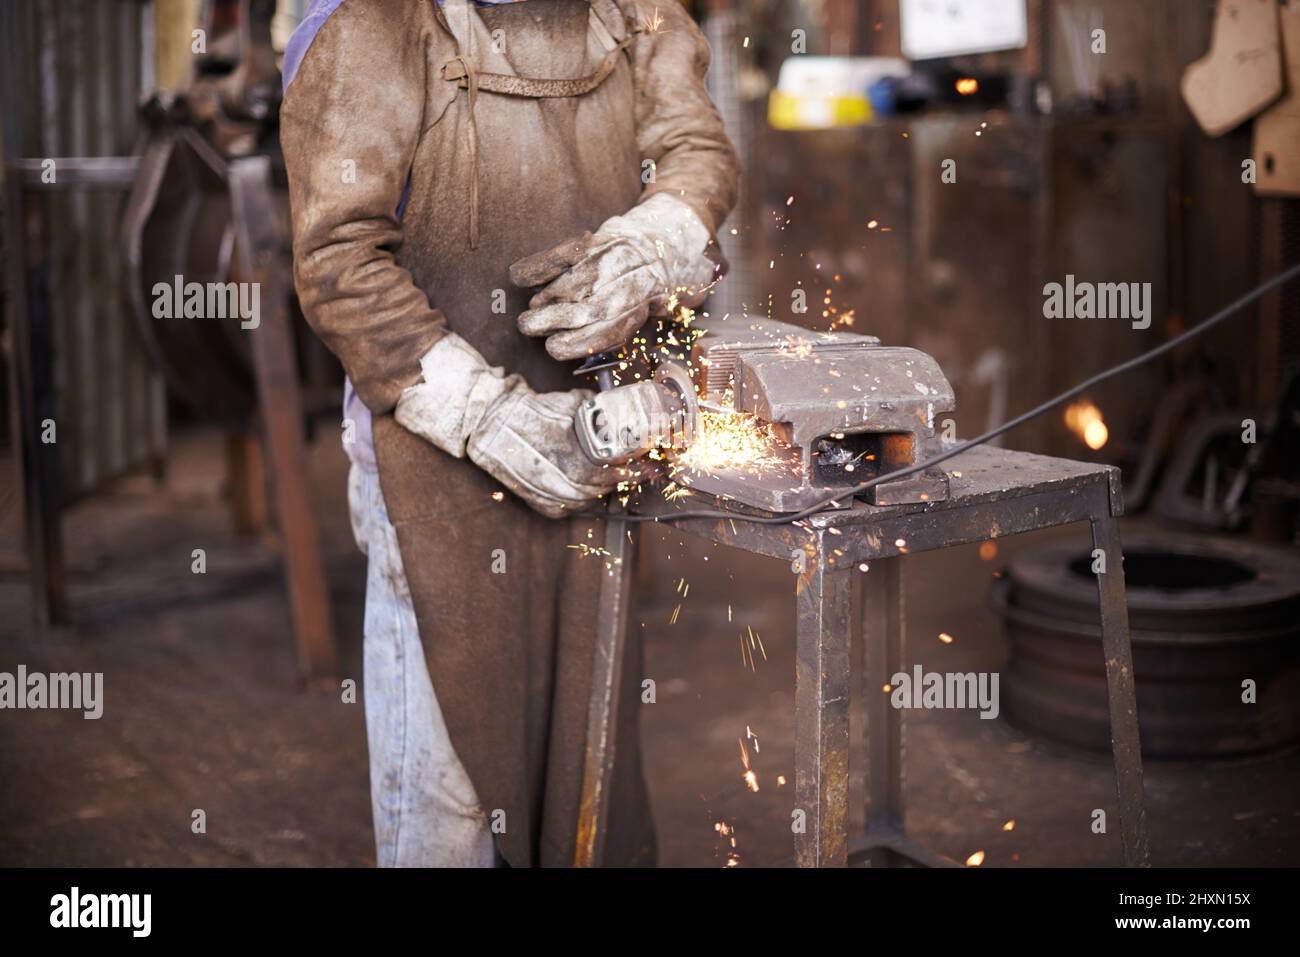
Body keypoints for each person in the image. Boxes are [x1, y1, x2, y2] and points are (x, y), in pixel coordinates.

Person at [281, 0, 739, 866]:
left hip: (593, 453)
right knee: (456, 803)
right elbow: (337, 261)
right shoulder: (374, 20)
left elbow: (695, 150)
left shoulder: (631, 12)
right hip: (434, 472)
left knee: (585, 773)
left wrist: (657, 239)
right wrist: (485, 412)